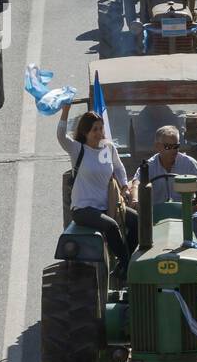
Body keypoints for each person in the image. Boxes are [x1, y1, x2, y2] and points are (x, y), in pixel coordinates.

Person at [57, 104, 137, 271]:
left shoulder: (108, 147)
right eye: (95, 129)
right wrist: (65, 112)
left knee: (137, 220)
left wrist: (124, 187)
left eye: (101, 128)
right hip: (84, 208)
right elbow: (61, 136)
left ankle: (127, 261)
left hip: (107, 204)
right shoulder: (77, 149)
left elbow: (118, 167)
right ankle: (126, 265)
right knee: (112, 226)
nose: (99, 133)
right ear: (85, 132)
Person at [129, 125, 197, 207]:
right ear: (157, 146)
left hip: (185, 212)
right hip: (156, 214)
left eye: (176, 146)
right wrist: (135, 200)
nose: (173, 150)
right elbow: (136, 184)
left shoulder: (189, 163)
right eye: (168, 147)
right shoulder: (149, 166)